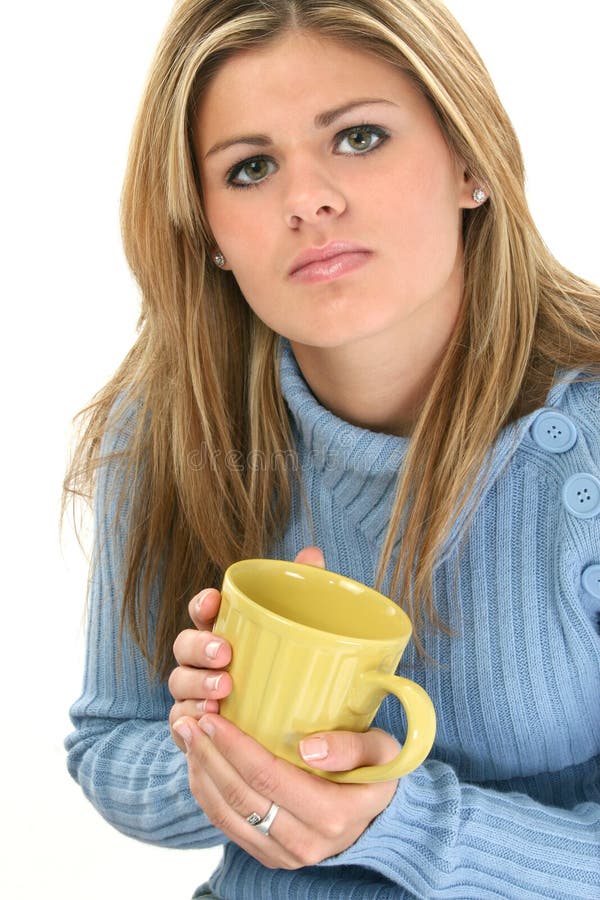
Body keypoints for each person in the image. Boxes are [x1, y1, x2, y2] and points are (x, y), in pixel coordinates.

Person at [63, 1, 600, 897]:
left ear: (470, 162)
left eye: (357, 137)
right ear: (211, 235)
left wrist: (399, 821)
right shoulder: (167, 425)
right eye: (252, 167)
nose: (306, 198)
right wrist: (229, 746)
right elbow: (108, 746)